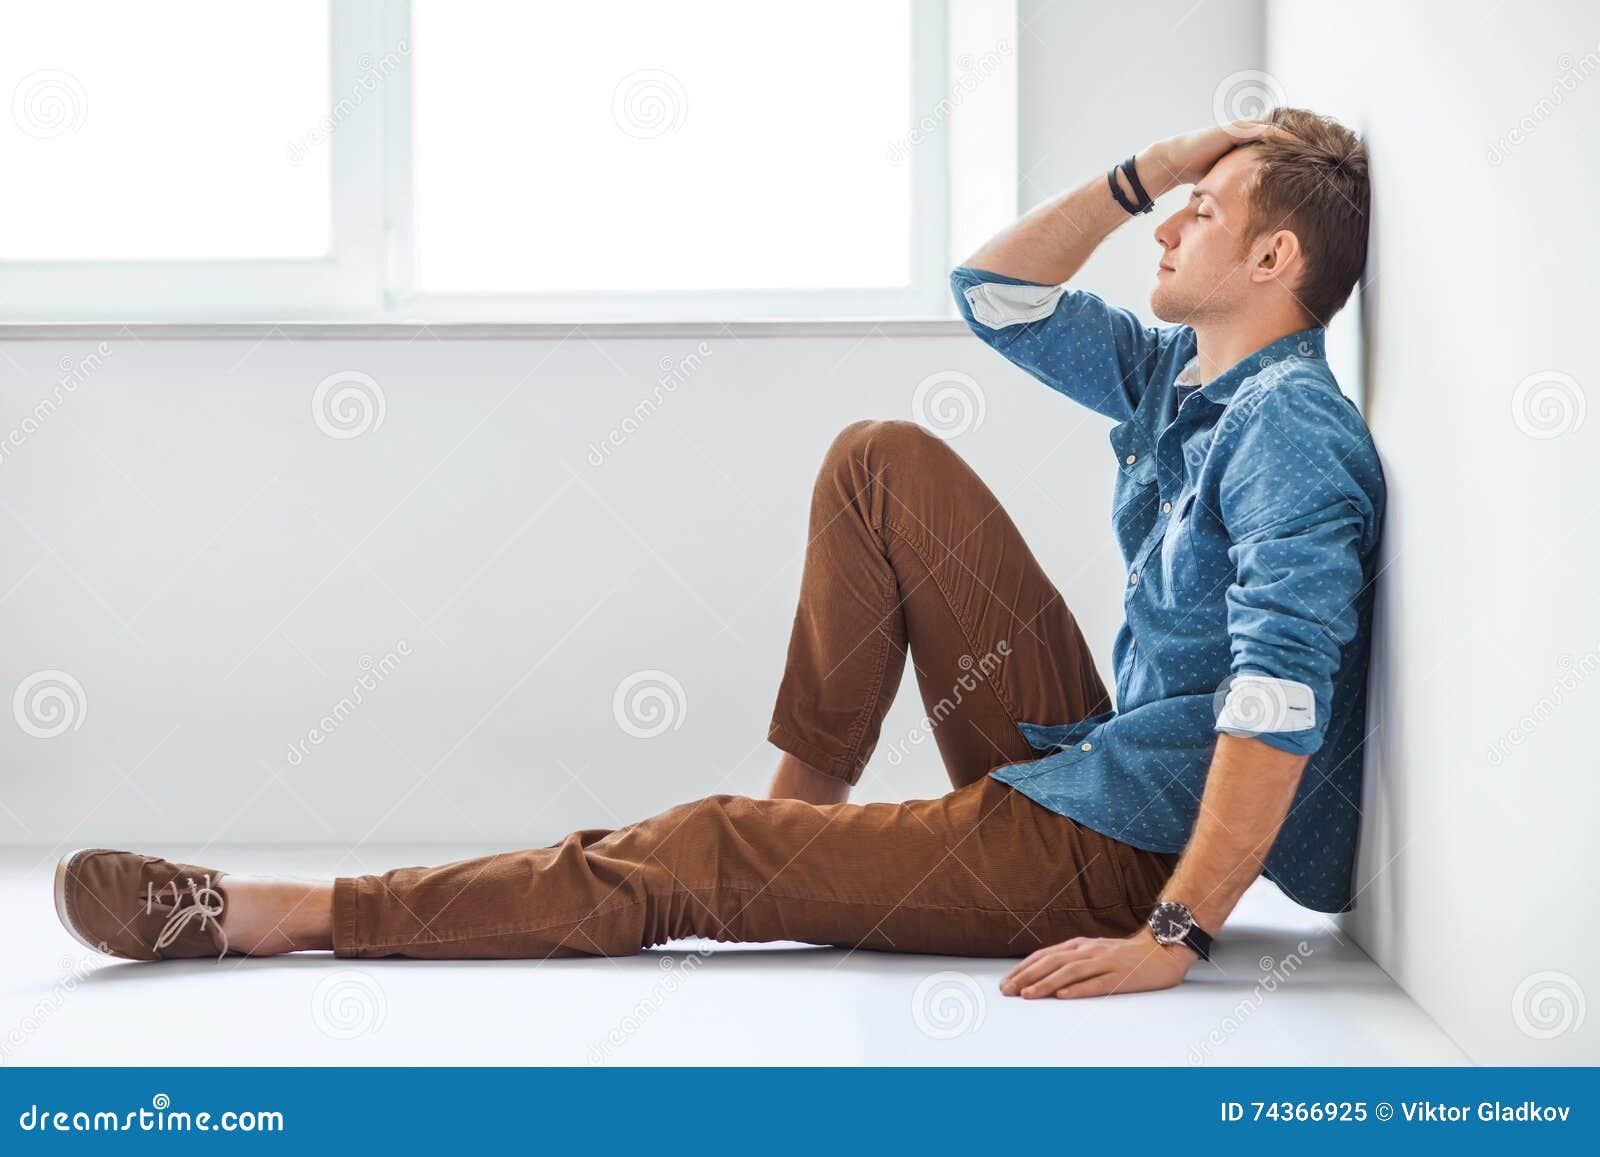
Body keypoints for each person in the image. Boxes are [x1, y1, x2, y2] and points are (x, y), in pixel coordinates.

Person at [54, 107, 1382, 1001]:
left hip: (1114, 852)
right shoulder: (1180, 378)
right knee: (883, 462)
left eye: (1199, 215)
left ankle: (282, 910)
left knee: (694, 852)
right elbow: (996, 293)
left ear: (1274, 256)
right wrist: (1150, 170)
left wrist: (1176, 933)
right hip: (1100, 761)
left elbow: (1277, 697)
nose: (1165, 228)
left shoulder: (1290, 432)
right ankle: (793, 830)